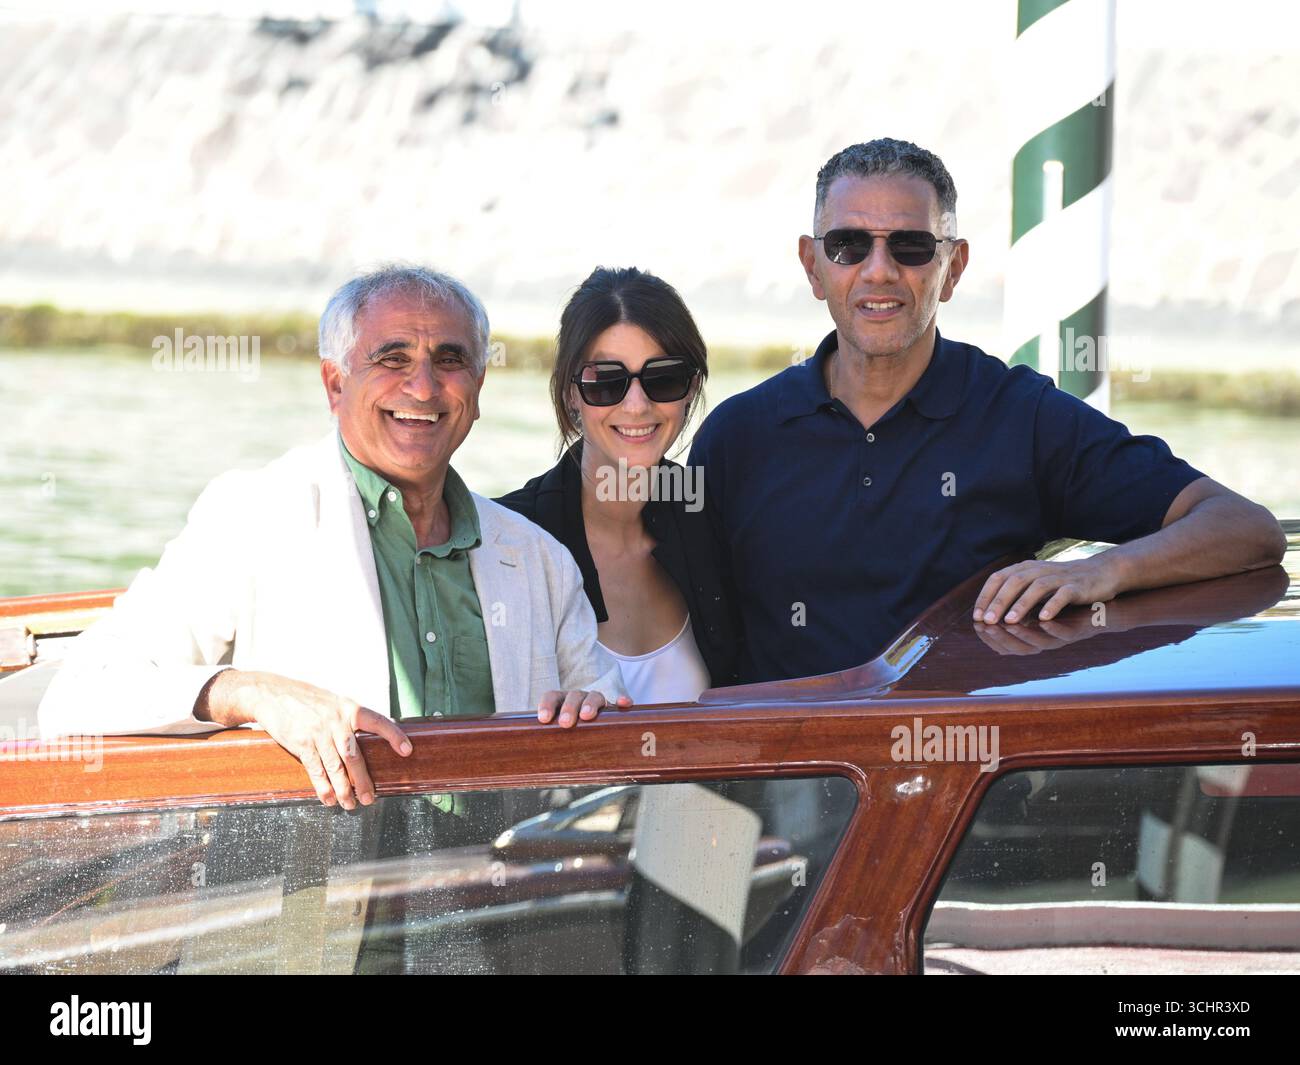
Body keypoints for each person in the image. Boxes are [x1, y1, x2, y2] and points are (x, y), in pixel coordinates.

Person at [689, 138, 1286, 684]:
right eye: (848, 245)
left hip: (976, 788)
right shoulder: (738, 435)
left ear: (953, 268)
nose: (879, 270)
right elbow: (676, 623)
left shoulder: (1022, 418)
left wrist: (1100, 572)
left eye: (911, 246)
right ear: (812, 266)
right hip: (773, 779)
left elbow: (1245, 529)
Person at [38, 265, 628, 810]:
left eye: (449, 360)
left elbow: (608, 726)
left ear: (476, 390)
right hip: (307, 908)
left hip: (485, 901)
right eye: (392, 358)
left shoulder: (537, 558)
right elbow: (78, 696)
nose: (422, 388)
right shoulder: (253, 515)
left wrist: (594, 716)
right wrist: (250, 694)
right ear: (334, 384)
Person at [497, 265, 741, 702]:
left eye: (663, 378)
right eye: (605, 382)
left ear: (691, 388)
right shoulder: (509, 537)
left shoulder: (717, 522)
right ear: (571, 392)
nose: (636, 405)